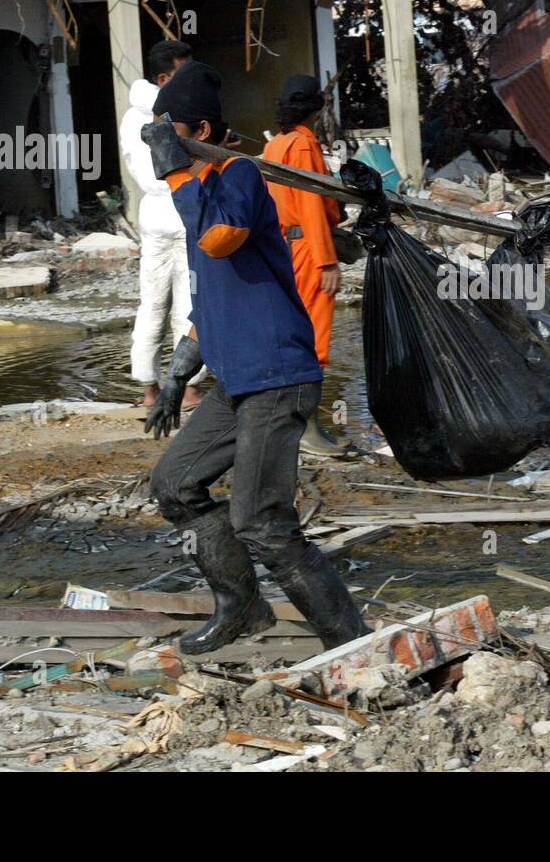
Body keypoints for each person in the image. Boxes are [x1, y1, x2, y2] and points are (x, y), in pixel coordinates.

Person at [140, 59, 367, 655]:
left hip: (277, 376)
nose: (161, 143)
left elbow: (221, 239)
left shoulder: (238, 175)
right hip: (237, 379)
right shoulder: (202, 191)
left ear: (203, 134)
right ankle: (240, 606)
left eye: (172, 130)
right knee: (174, 484)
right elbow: (209, 297)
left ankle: (351, 643)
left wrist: (176, 176)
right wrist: (176, 374)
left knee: (263, 522)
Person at [260, 74, 345, 456]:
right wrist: (328, 260)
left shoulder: (276, 144)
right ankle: (308, 431)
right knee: (316, 340)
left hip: (285, 247)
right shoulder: (305, 144)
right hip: (309, 249)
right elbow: (312, 204)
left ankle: (289, 425)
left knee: (292, 336)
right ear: (317, 108)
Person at [121, 41, 205, 409]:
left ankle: (149, 389)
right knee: (189, 303)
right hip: (181, 206)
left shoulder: (129, 117)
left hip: (151, 213)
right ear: (162, 77)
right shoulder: (175, 112)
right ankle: (187, 387)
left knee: (151, 303)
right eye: (181, 73)